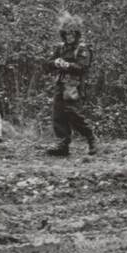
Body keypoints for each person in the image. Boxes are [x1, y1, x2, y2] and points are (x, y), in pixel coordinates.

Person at [45, 12, 97, 157]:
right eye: (66, 34)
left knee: (74, 114)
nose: (69, 37)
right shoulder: (60, 48)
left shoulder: (82, 49)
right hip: (60, 85)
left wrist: (67, 65)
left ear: (76, 35)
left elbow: (82, 68)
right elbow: (47, 64)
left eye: (72, 34)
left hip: (74, 86)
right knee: (58, 115)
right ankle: (62, 145)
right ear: (63, 35)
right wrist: (55, 63)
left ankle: (91, 138)